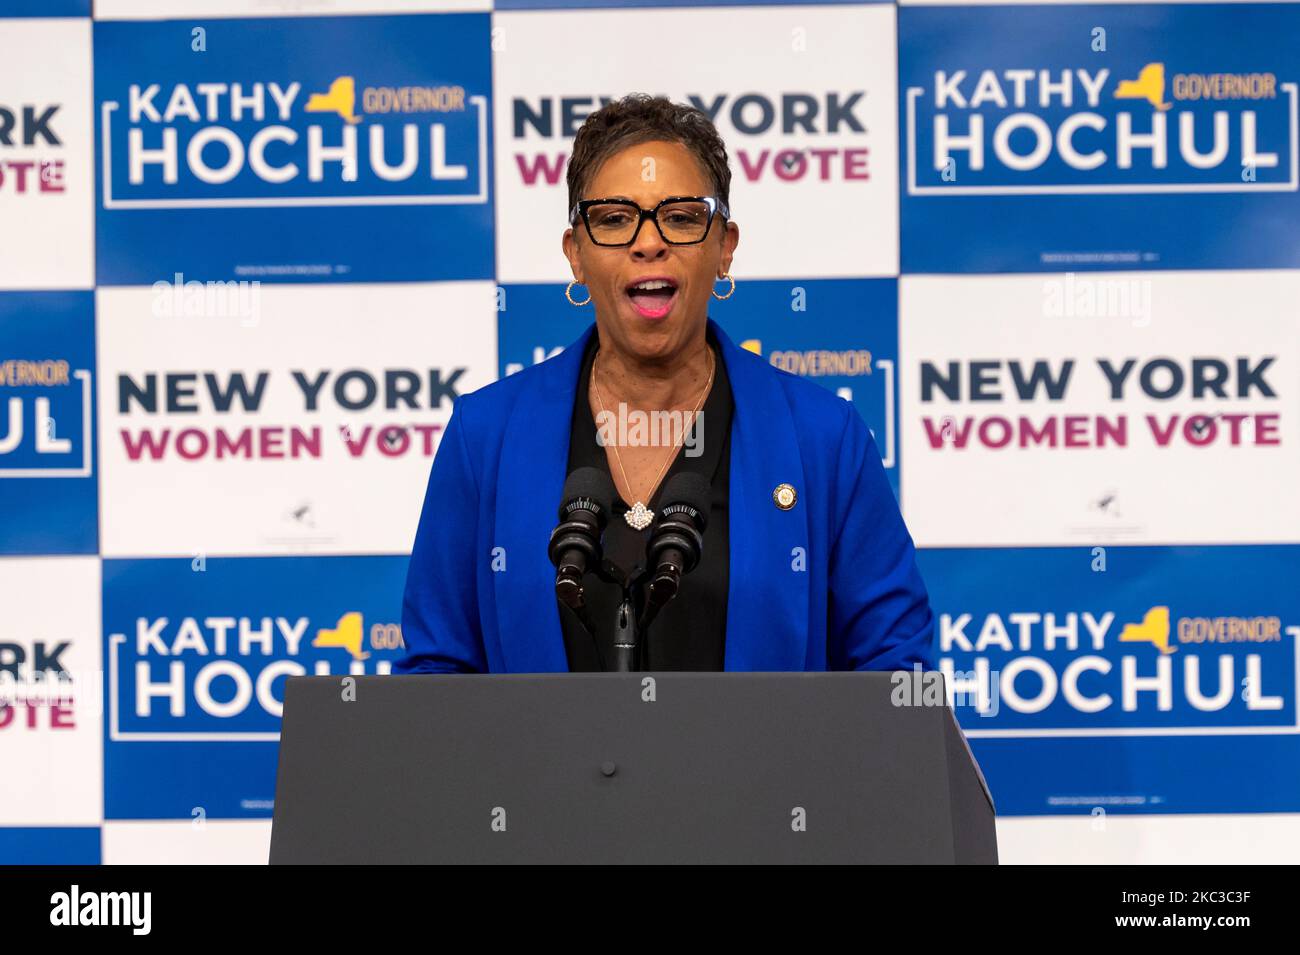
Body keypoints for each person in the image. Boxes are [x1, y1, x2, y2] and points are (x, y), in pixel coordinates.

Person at [397, 93, 934, 673]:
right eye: (613, 218)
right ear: (576, 254)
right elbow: (436, 678)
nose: (648, 241)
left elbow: (895, 672)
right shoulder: (485, 438)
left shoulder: (824, 439)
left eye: (680, 217)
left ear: (724, 248)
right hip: (539, 770)